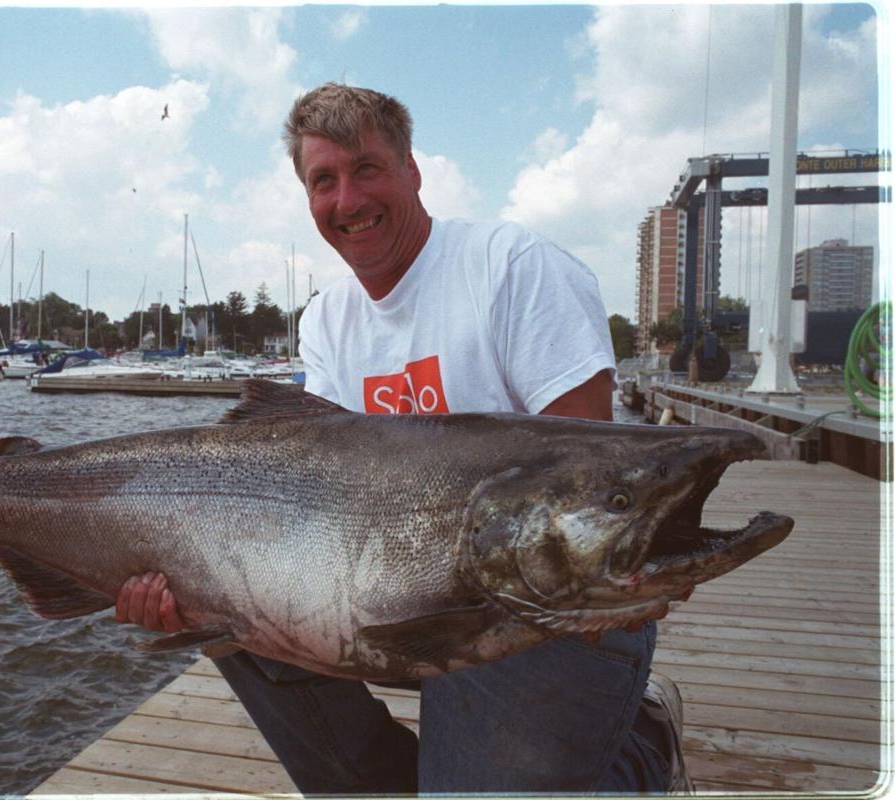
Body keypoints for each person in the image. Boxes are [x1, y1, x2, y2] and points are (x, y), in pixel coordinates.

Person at [115, 83, 692, 794]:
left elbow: (594, 494)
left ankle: (638, 750)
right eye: (323, 180)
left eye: (367, 169)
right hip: (406, 604)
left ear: (412, 171)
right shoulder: (327, 320)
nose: (348, 199)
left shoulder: (513, 268)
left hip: (538, 611)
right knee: (231, 619)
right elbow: (311, 488)